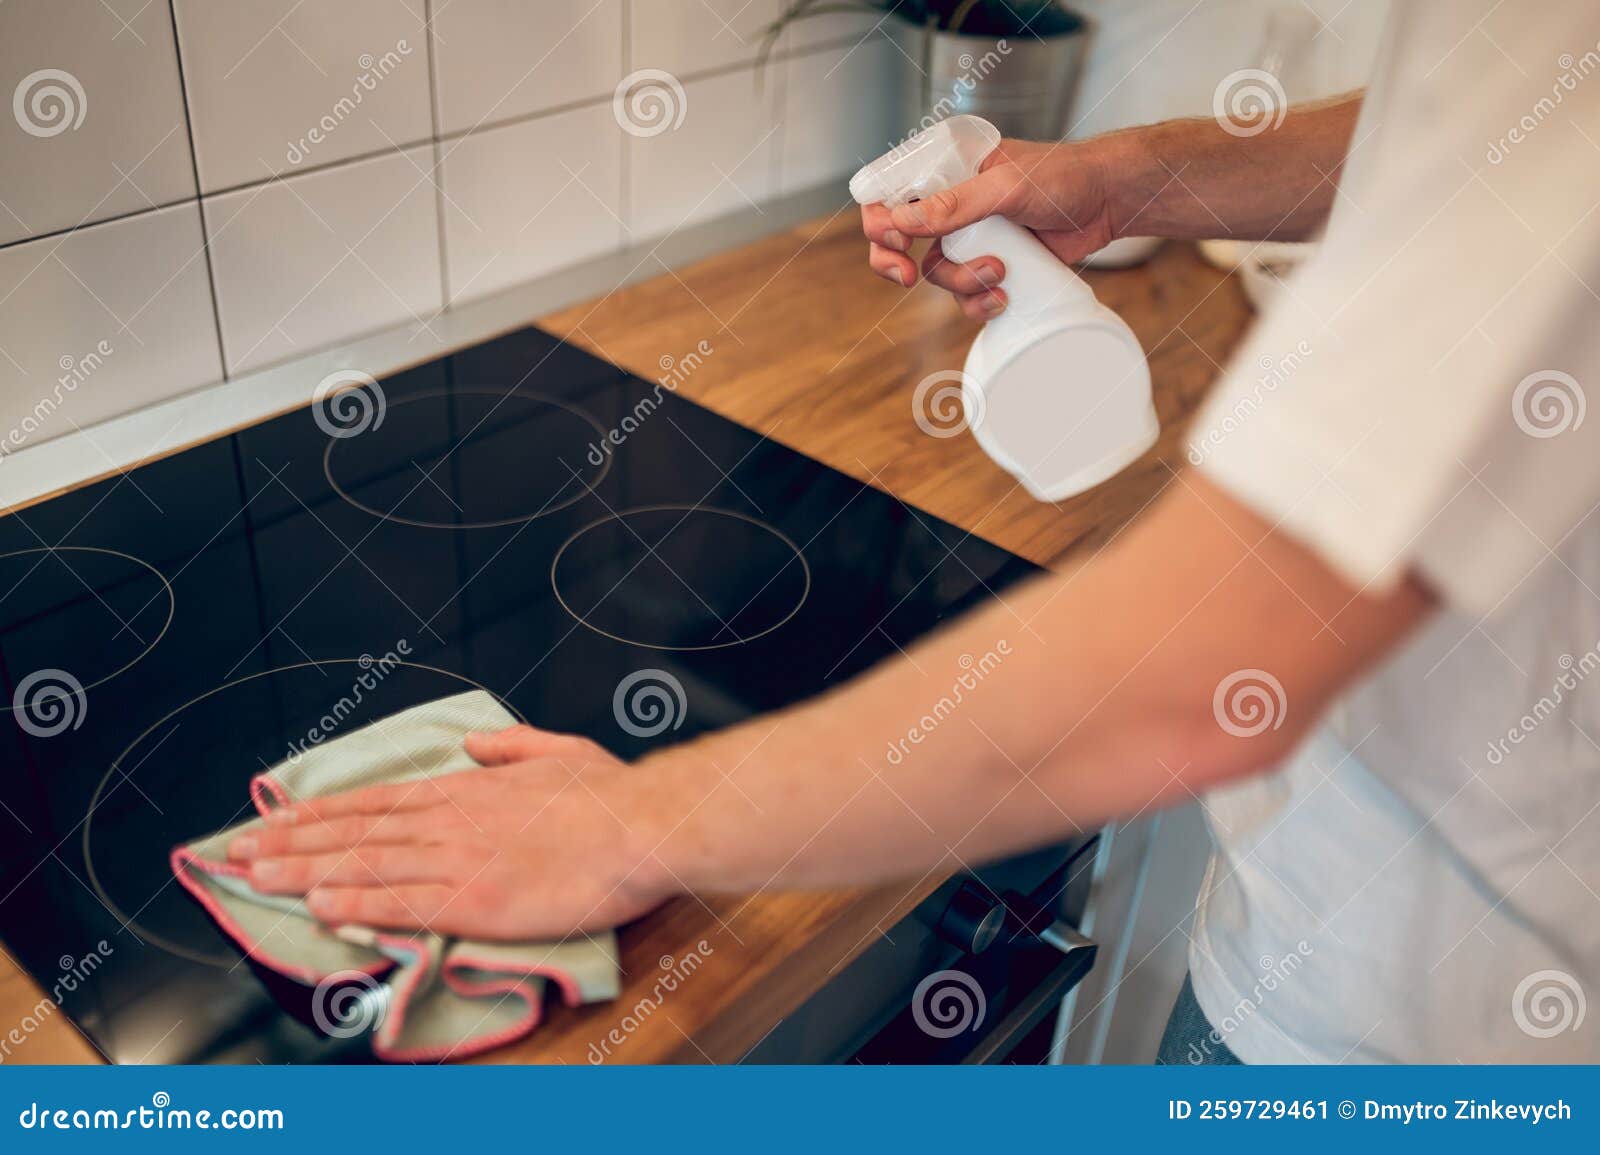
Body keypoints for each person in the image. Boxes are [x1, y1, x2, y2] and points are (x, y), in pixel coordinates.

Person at [225, 1, 1600, 1063]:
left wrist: (631, 821)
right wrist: (1134, 181)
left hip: (1437, 1018)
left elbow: (1208, 677)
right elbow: (1476, 133)